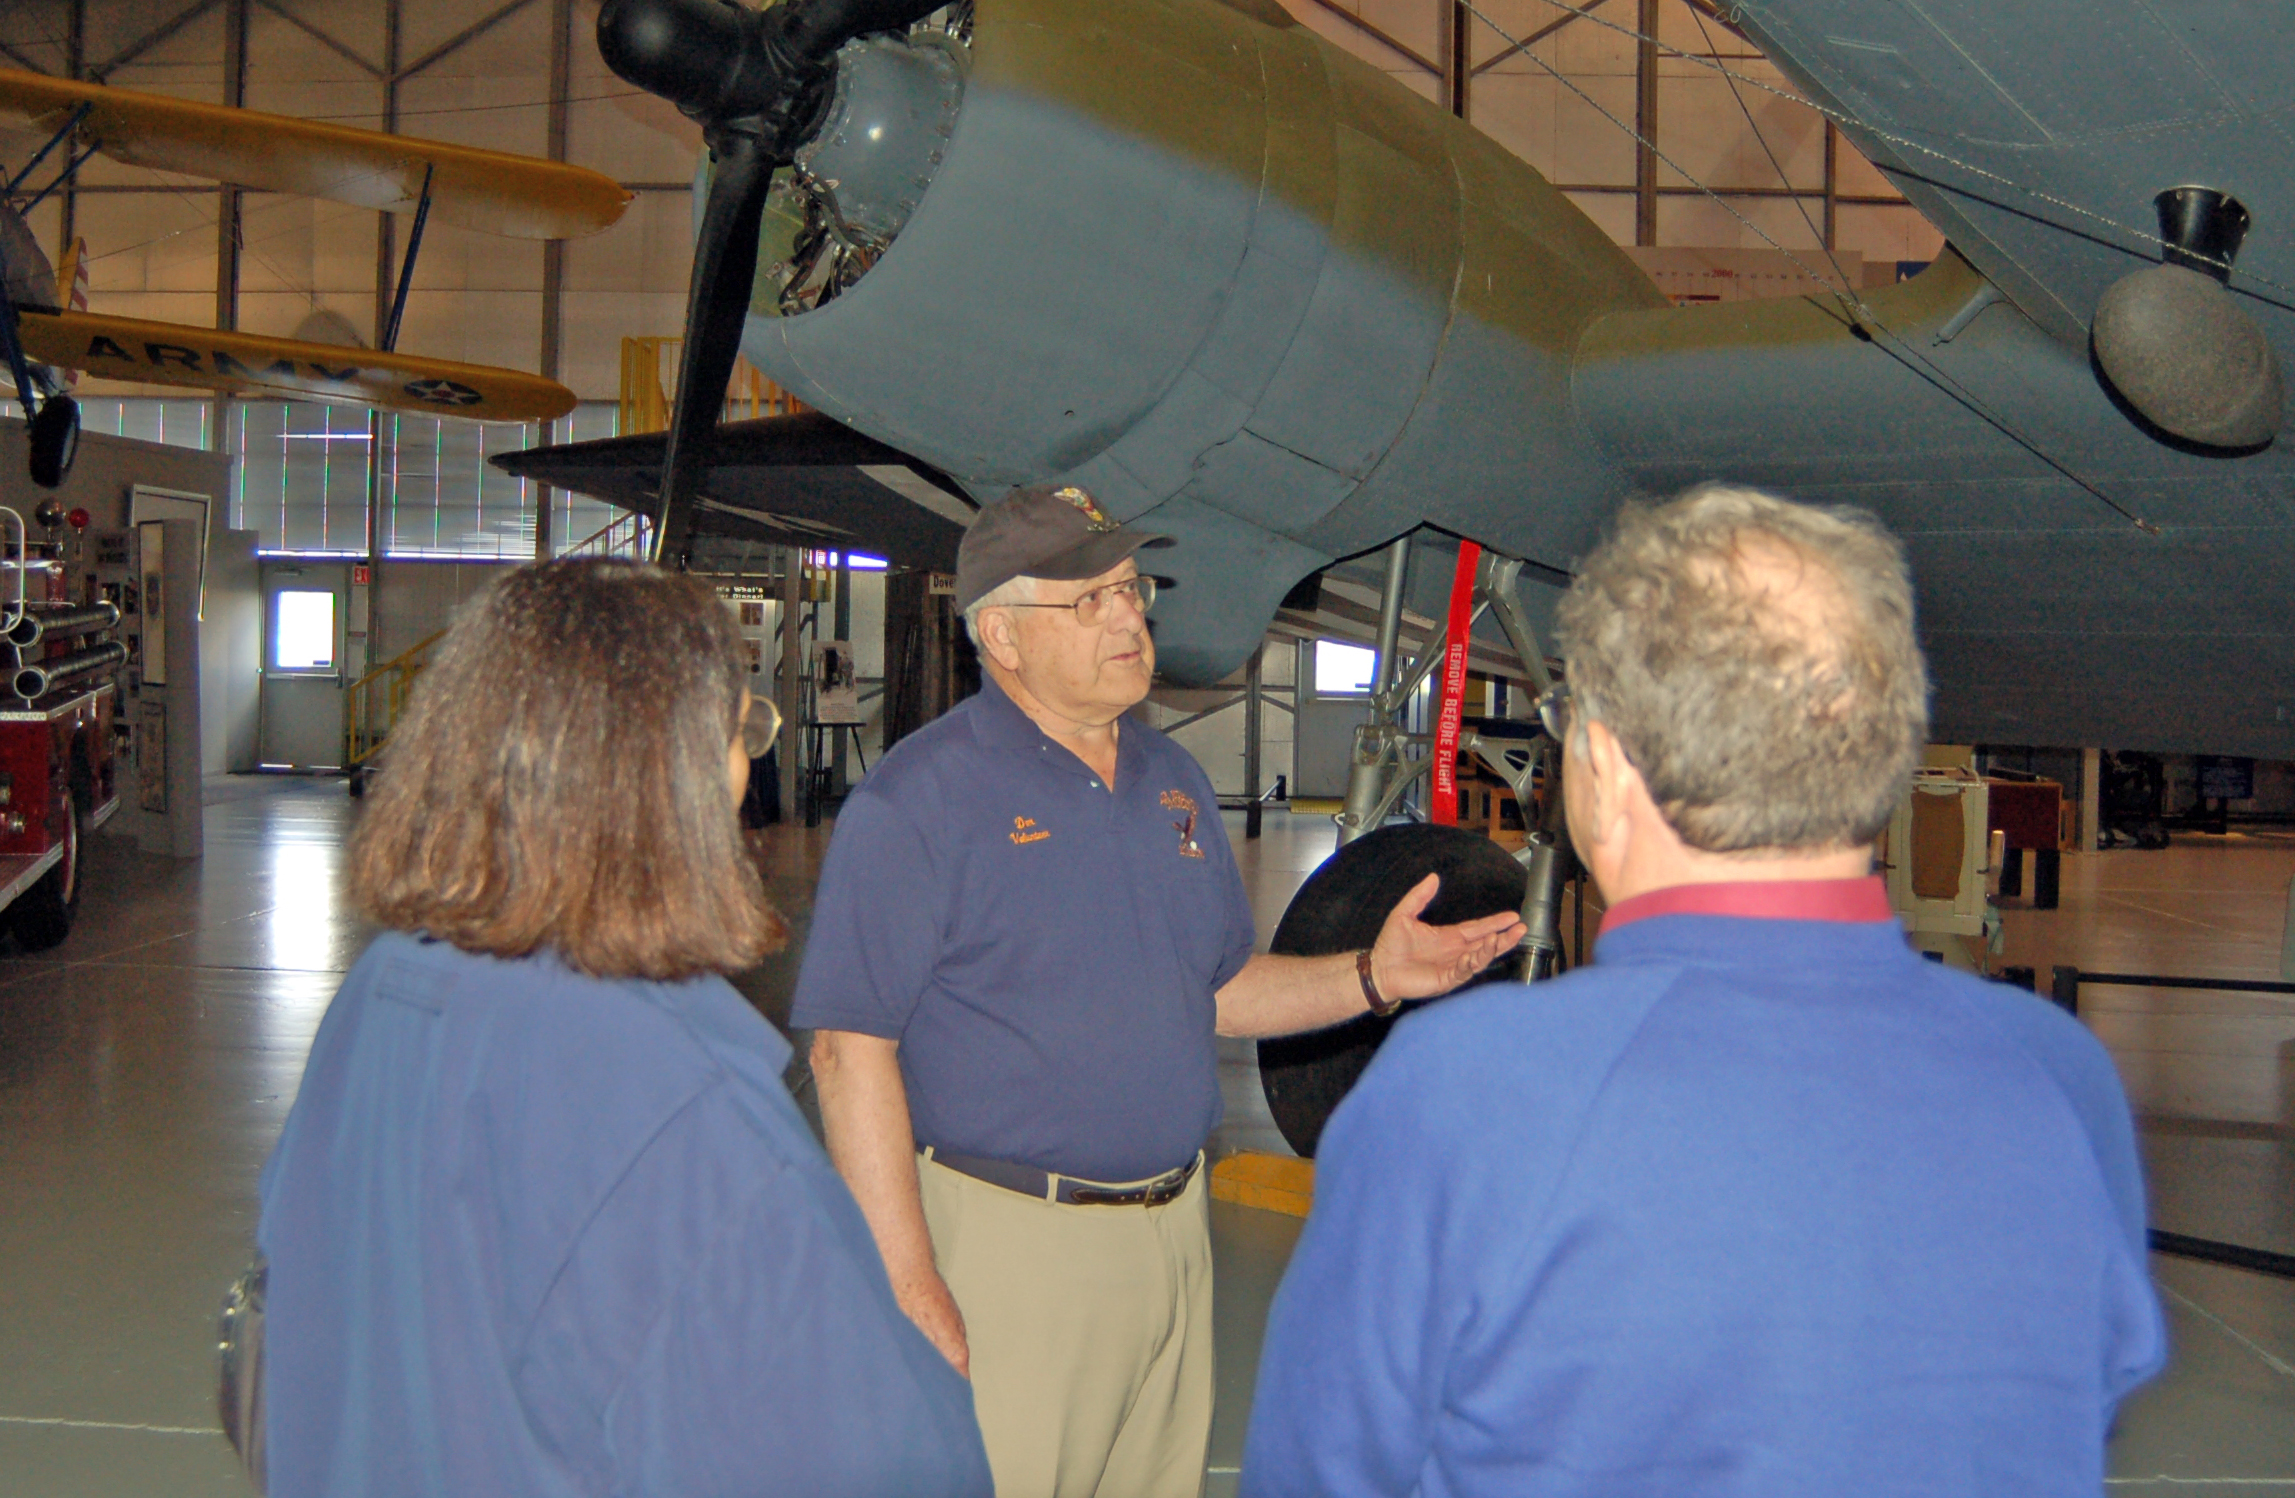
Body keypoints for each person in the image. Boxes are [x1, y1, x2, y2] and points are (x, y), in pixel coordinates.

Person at [1243, 485, 2167, 1497]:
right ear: (1886, 749)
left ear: (1602, 761)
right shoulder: (2059, 1075)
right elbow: (2091, 1388)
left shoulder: (1467, 1094)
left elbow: (1323, 1468)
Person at [792, 483, 1525, 1498]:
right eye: (1088, 601)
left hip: (1175, 1239)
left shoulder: (1172, 780)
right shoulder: (919, 801)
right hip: (1012, 1250)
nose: (1131, 618)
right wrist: (909, 1283)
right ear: (1001, 635)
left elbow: (1218, 991)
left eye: (1132, 590)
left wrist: (1372, 975)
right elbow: (848, 1047)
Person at [258, 560, 991, 1498]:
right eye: (738, 730)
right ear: (665, 772)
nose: (747, 765)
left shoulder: (385, 996)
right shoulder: (680, 1106)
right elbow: (874, 1458)